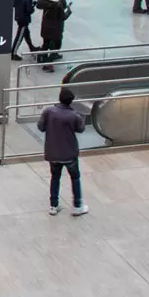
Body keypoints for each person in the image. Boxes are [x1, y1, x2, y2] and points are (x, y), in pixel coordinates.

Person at [38, 87, 87, 215]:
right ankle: (77, 206)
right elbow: (81, 128)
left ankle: (53, 205)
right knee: (75, 178)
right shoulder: (73, 115)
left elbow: (40, 127)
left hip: (53, 152)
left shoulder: (48, 112)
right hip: (69, 153)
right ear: (71, 101)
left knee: (55, 177)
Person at [36, 0, 70, 66]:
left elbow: (38, 4)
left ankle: (40, 57)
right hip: (56, 25)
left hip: (46, 24)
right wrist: (69, 11)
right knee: (55, 43)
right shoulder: (58, 4)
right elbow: (63, 15)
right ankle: (49, 61)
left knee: (46, 42)